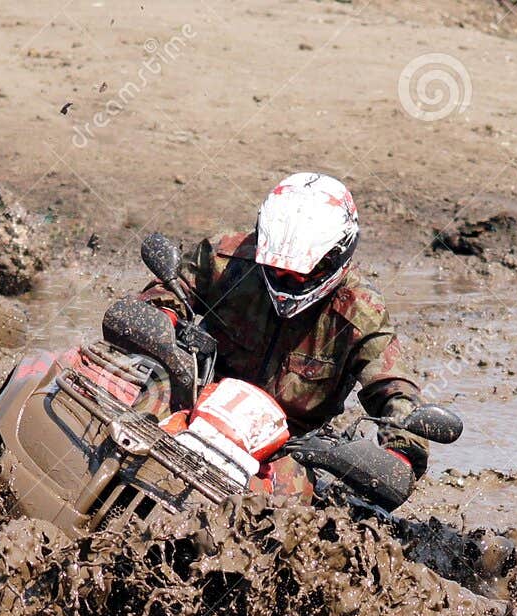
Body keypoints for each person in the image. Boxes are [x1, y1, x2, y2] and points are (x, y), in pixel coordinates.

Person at [132, 172, 430, 481]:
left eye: (302, 274)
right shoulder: (227, 258)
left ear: (337, 254)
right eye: (278, 270)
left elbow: (394, 387)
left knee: (293, 501)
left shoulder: (360, 310)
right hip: (196, 400)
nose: (289, 281)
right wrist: (165, 327)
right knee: (131, 400)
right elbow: (167, 292)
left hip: (284, 449)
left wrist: (399, 452)